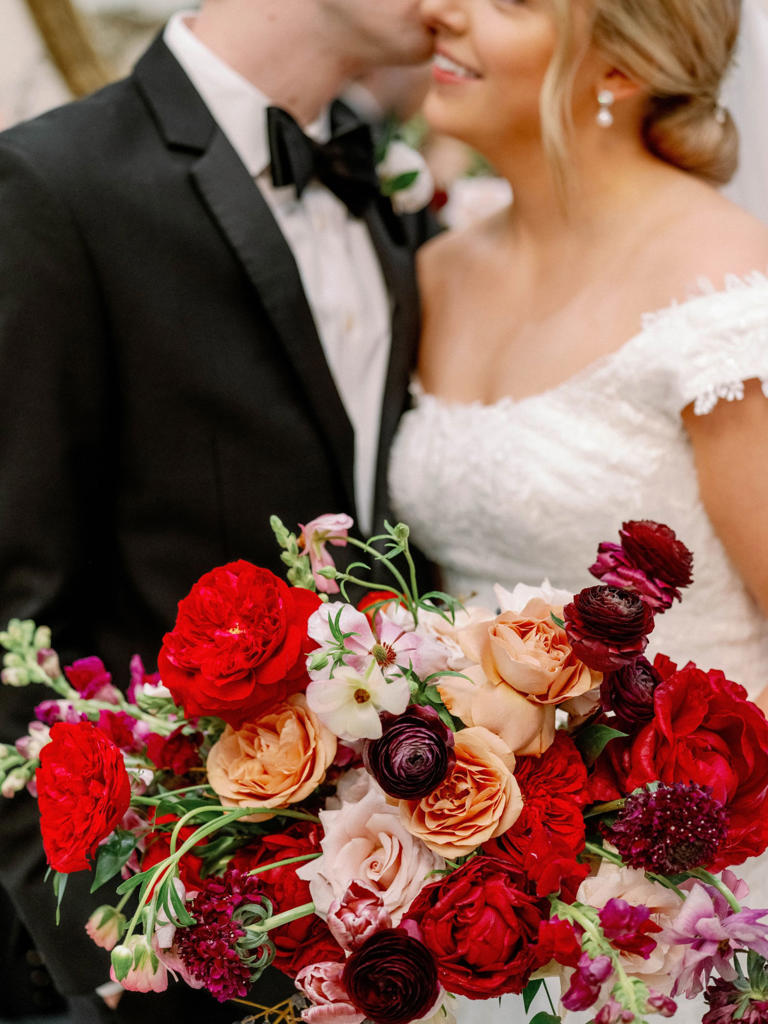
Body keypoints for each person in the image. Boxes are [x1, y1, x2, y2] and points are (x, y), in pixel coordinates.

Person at [0, 0, 434, 1021]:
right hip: (174, 954)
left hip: (392, 938)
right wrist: (115, 951)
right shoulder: (53, 184)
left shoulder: (385, 191)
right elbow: (11, 603)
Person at [389, 0, 768, 1019]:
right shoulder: (435, 268)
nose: (440, 11)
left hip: (683, 899)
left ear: (619, 69)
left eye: (507, 0)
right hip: (471, 893)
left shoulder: (723, 293)